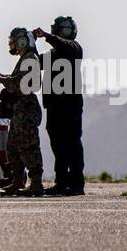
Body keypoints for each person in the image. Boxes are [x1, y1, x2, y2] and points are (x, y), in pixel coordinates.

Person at [0, 27, 44, 196]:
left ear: (23, 41)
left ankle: (36, 184)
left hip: (26, 109)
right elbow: (15, 80)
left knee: (29, 146)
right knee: (13, 148)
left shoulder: (30, 58)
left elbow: (18, 84)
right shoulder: (25, 58)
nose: (12, 44)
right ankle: (17, 182)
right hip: (19, 110)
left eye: (14, 40)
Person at [33, 15, 84, 195]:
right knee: (58, 146)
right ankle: (61, 182)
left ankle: (77, 184)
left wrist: (46, 36)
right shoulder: (54, 54)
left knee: (72, 144)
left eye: (56, 28)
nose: (54, 30)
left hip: (70, 106)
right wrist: (30, 45)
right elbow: (35, 63)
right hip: (54, 106)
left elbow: (64, 45)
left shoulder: (74, 48)